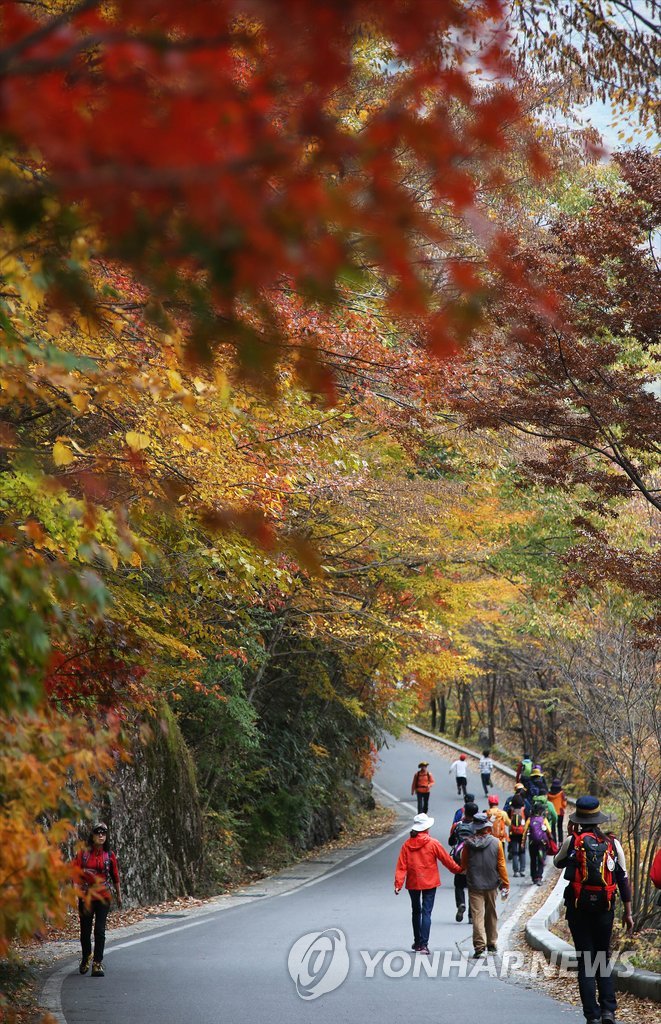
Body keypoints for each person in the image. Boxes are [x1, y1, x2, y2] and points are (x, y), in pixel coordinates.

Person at [554, 796, 634, 1024]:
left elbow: (557, 863)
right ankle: (609, 1010)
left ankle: (592, 1015)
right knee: (602, 958)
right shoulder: (612, 843)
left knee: (586, 961)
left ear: (578, 819)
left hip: (578, 909)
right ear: (598, 818)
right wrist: (628, 912)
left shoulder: (574, 841)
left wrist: (571, 836)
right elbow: (622, 878)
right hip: (604, 910)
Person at [394, 812, 461, 955]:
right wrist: (458, 870)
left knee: (416, 911)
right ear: (426, 828)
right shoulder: (433, 843)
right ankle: (424, 944)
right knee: (426, 912)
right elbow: (446, 860)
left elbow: (401, 865)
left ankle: (417, 942)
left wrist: (398, 884)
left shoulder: (407, 845)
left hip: (413, 881)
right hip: (429, 881)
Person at [73, 821, 122, 978]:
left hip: (103, 897)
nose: (101, 835)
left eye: (104, 833)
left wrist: (119, 895)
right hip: (86, 897)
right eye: (98, 833)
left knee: (99, 931)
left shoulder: (109, 855)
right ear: (92, 836)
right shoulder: (83, 854)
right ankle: (86, 956)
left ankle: (97, 963)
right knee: (85, 932)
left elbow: (115, 876)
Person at [460, 812, 509, 957]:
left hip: (474, 884)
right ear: (487, 828)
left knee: (477, 915)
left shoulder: (467, 844)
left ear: (475, 828)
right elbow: (501, 865)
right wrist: (505, 883)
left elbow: (463, 864)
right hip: (492, 883)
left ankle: (479, 947)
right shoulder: (496, 843)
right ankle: (492, 944)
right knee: (491, 914)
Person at [449, 800, 478, 923]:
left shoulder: (458, 825)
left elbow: (451, 841)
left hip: (459, 858)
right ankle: (471, 916)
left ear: (464, 811)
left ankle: (461, 903)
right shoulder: (478, 826)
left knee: (459, 885)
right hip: (474, 859)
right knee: (473, 888)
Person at [522, 797, 552, 885]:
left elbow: (524, 832)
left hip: (532, 843)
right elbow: (549, 831)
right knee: (541, 859)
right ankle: (539, 877)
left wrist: (523, 843)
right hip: (542, 843)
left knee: (533, 860)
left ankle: (533, 877)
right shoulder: (543, 819)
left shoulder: (529, 820)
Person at [507, 792, 527, 877]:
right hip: (522, 832)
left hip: (513, 832)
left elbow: (508, 820)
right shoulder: (524, 809)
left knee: (514, 852)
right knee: (522, 852)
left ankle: (515, 871)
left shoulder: (510, 810)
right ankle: (522, 870)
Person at [548, 778, 568, 844]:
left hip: (551, 813)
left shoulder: (548, 794)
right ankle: (560, 842)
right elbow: (564, 804)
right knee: (560, 827)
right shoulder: (562, 794)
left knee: (553, 827)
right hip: (560, 812)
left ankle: (554, 842)